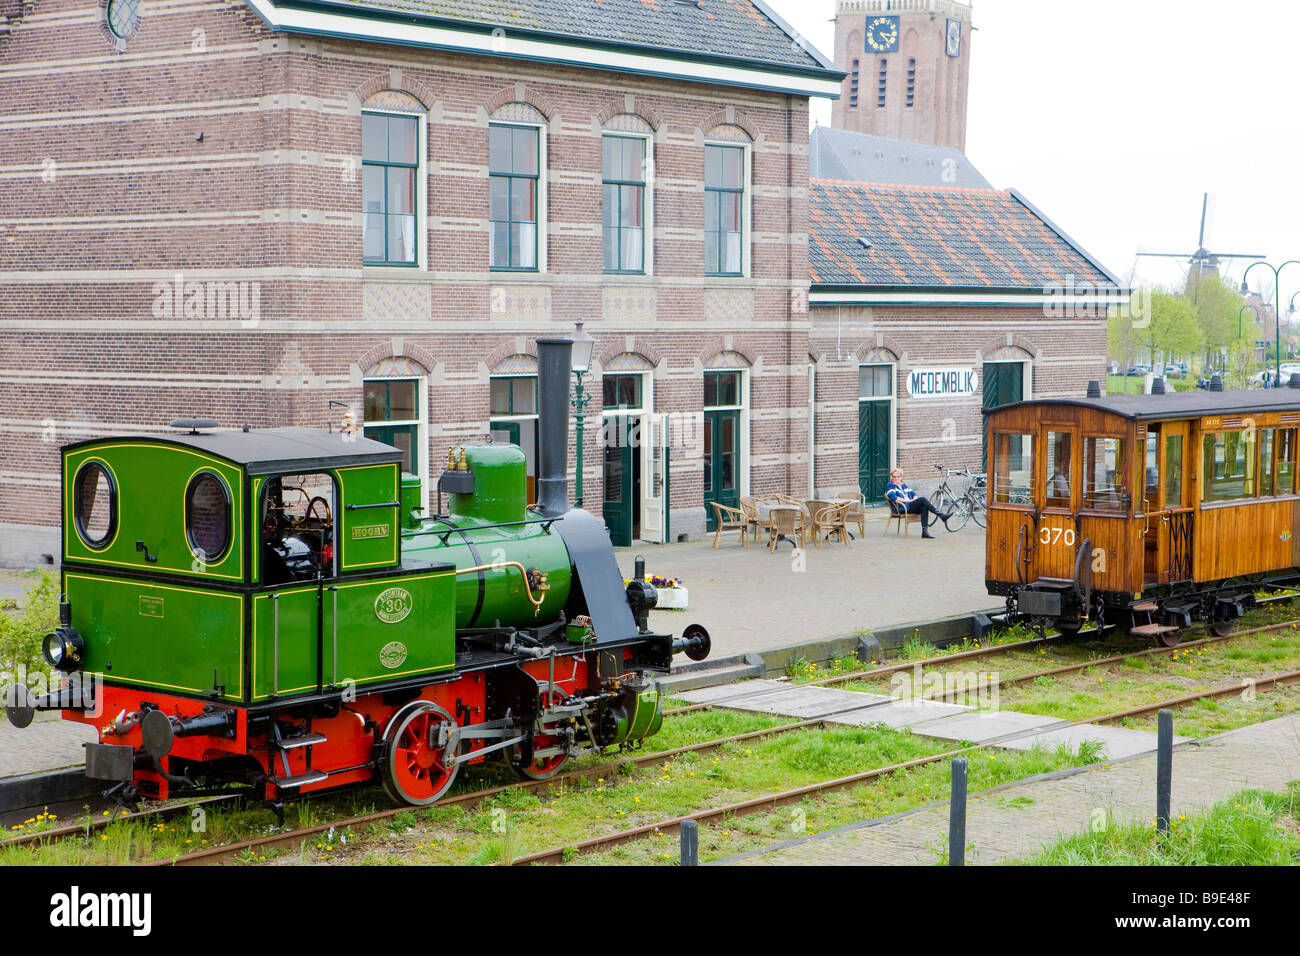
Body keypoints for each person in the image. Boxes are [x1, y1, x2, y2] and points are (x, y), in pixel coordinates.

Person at [884, 469, 952, 539]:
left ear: (901, 477)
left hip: (909, 506)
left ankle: (925, 532)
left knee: (924, 506)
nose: (896, 478)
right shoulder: (890, 485)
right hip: (902, 508)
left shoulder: (903, 485)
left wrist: (913, 500)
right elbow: (894, 497)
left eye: (898, 476)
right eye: (894, 477)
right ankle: (941, 515)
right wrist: (907, 501)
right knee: (923, 499)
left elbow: (914, 494)